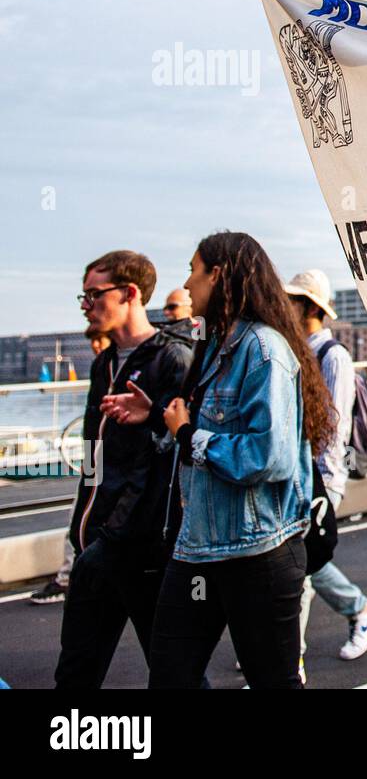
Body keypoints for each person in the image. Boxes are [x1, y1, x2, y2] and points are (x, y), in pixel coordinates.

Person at [111, 231, 332, 689]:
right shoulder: (215, 347)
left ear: (220, 274)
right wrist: (157, 417)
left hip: (258, 550)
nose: (187, 284)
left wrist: (189, 434)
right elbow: (201, 431)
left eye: (194, 270)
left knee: (272, 681)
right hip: (198, 547)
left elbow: (268, 457)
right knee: (170, 675)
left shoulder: (265, 351)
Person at [54, 252, 194, 688]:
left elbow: (177, 451)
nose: (85, 304)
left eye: (94, 294)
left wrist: (116, 532)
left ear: (130, 294)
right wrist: (83, 528)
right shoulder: (104, 364)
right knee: (76, 670)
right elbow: (94, 454)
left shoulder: (172, 360)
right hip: (98, 543)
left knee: (173, 673)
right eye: (84, 295)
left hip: (145, 548)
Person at [285, 270, 367, 672]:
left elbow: (334, 425)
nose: (285, 307)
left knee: (299, 567)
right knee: (303, 564)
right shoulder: (294, 351)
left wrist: (322, 487)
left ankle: (287, 663)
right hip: (297, 475)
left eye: (292, 301)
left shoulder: (333, 356)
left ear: (310, 307)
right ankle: (358, 610)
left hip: (319, 479)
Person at [30, 332, 115, 606]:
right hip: (95, 455)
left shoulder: (124, 365)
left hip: (111, 457)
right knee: (80, 513)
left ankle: (72, 577)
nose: (95, 346)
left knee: (87, 514)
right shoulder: (103, 365)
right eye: (93, 341)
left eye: (100, 340)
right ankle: (70, 576)